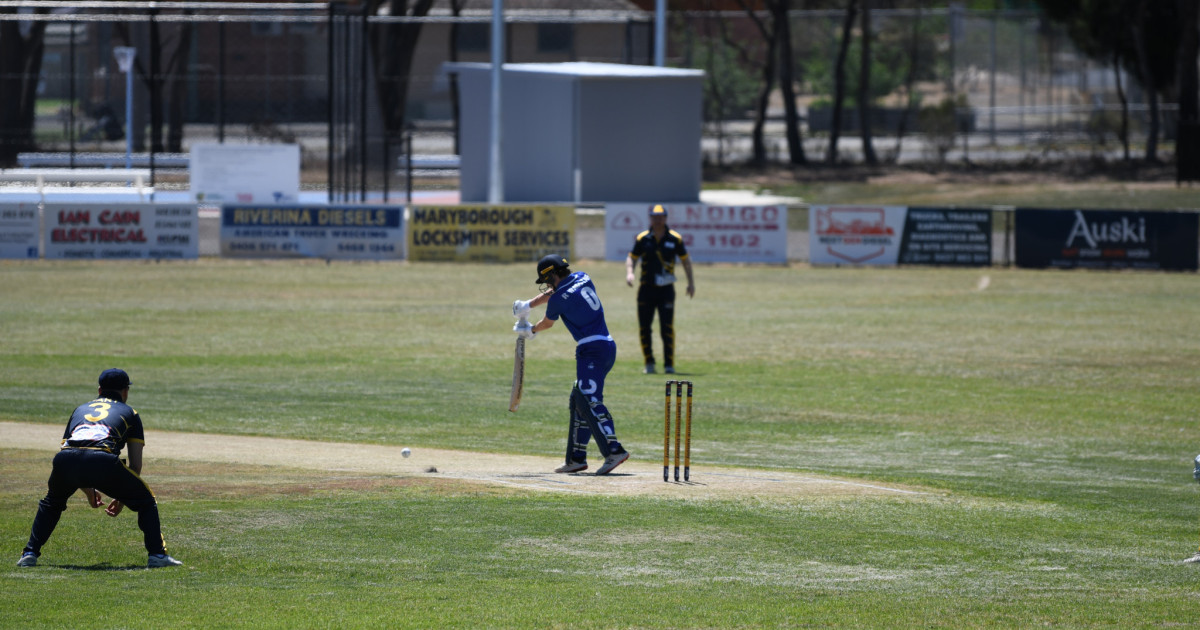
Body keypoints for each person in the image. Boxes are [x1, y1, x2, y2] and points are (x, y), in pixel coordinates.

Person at [16, 369, 182, 569]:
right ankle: (157, 555)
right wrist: (122, 498)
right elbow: (135, 464)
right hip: (102, 459)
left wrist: (87, 490)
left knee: (52, 503)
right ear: (125, 391)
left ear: (99, 389)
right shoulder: (130, 413)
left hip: (65, 459)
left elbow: (71, 452)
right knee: (146, 501)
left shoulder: (80, 409)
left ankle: (29, 553)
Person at [513, 254, 631, 475]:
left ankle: (614, 450)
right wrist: (529, 304)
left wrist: (530, 330)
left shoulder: (558, 299)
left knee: (589, 398)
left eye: (548, 280)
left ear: (554, 274)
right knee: (578, 398)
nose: (547, 285)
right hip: (606, 346)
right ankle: (576, 458)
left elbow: (548, 322)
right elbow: (556, 292)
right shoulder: (583, 277)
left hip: (591, 350)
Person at [625, 204, 695, 374]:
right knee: (644, 327)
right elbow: (631, 258)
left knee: (667, 327)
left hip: (666, 290)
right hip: (646, 289)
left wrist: (690, 282)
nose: (658, 220)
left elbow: (685, 260)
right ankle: (649, 363)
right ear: (650, 218)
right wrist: (630, 273)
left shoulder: (674, 238)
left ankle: (669, 364)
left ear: (665, 218)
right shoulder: (643, 238)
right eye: (655, 217)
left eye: (661, 217)